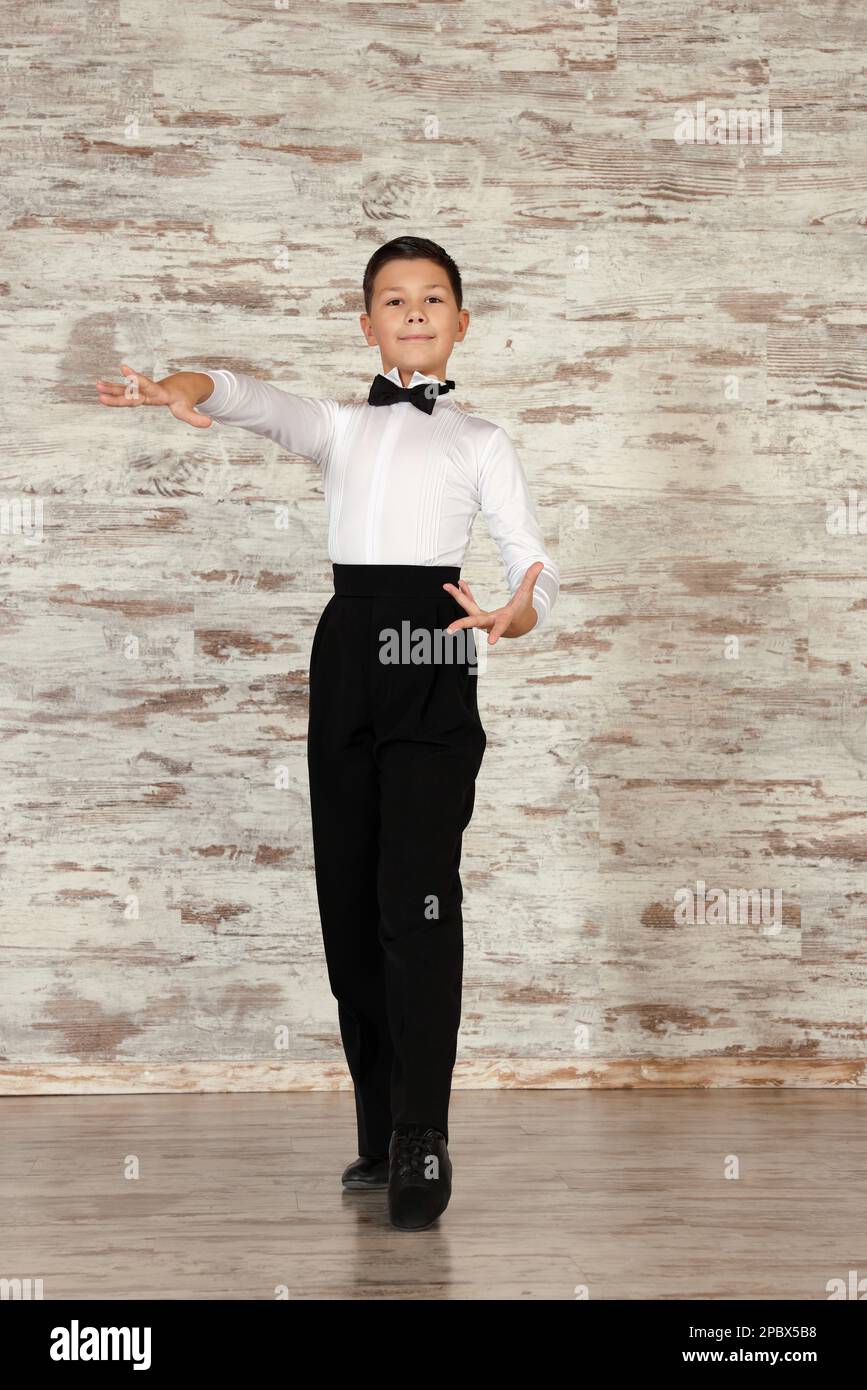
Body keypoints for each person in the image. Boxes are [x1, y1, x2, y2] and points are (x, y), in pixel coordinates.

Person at [96, 235, 560, 1231]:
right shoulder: (341, 427)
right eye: (395, 299)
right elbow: (250, 397)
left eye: (435, 297)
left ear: (461, 321)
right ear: (368, 323)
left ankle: (425, 1136)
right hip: (351, 650)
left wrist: (509, 616)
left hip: (434, 645)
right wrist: (181, 384)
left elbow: (531, 569)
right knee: (349, 897)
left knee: (418, 895)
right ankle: (378, 1127)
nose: (416, 311)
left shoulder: (481, 439)